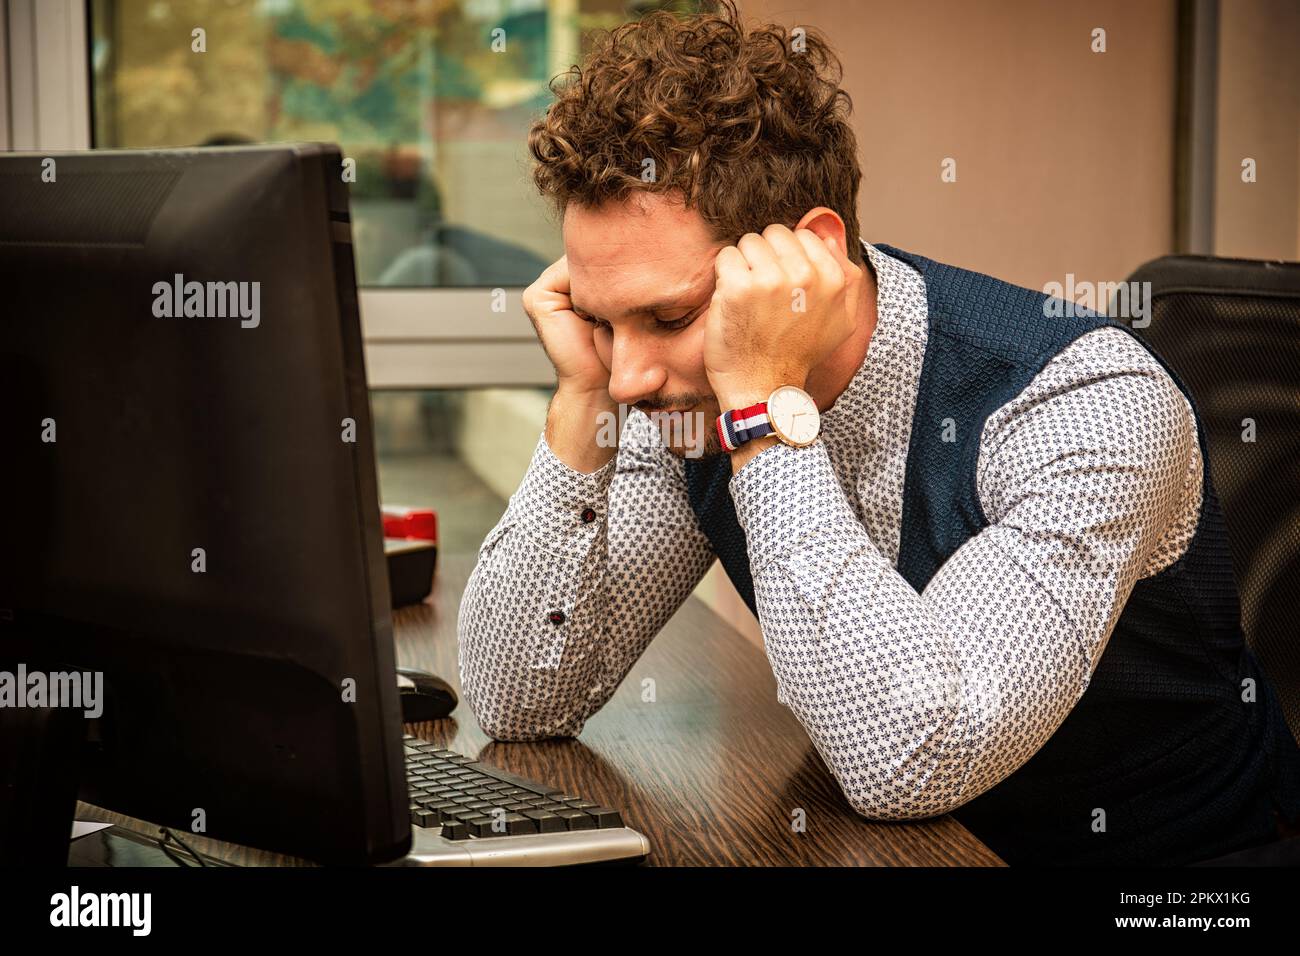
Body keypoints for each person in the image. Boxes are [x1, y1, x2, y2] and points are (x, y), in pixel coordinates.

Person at [455, 0, 1300, 866]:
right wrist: (579, 397)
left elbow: (909, 761)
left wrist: (761, 410)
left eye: (670, 314)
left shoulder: (1088, 399)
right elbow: (522, 701)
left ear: (808, 251)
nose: (631, 377)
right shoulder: (673, 395)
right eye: (601, 320)